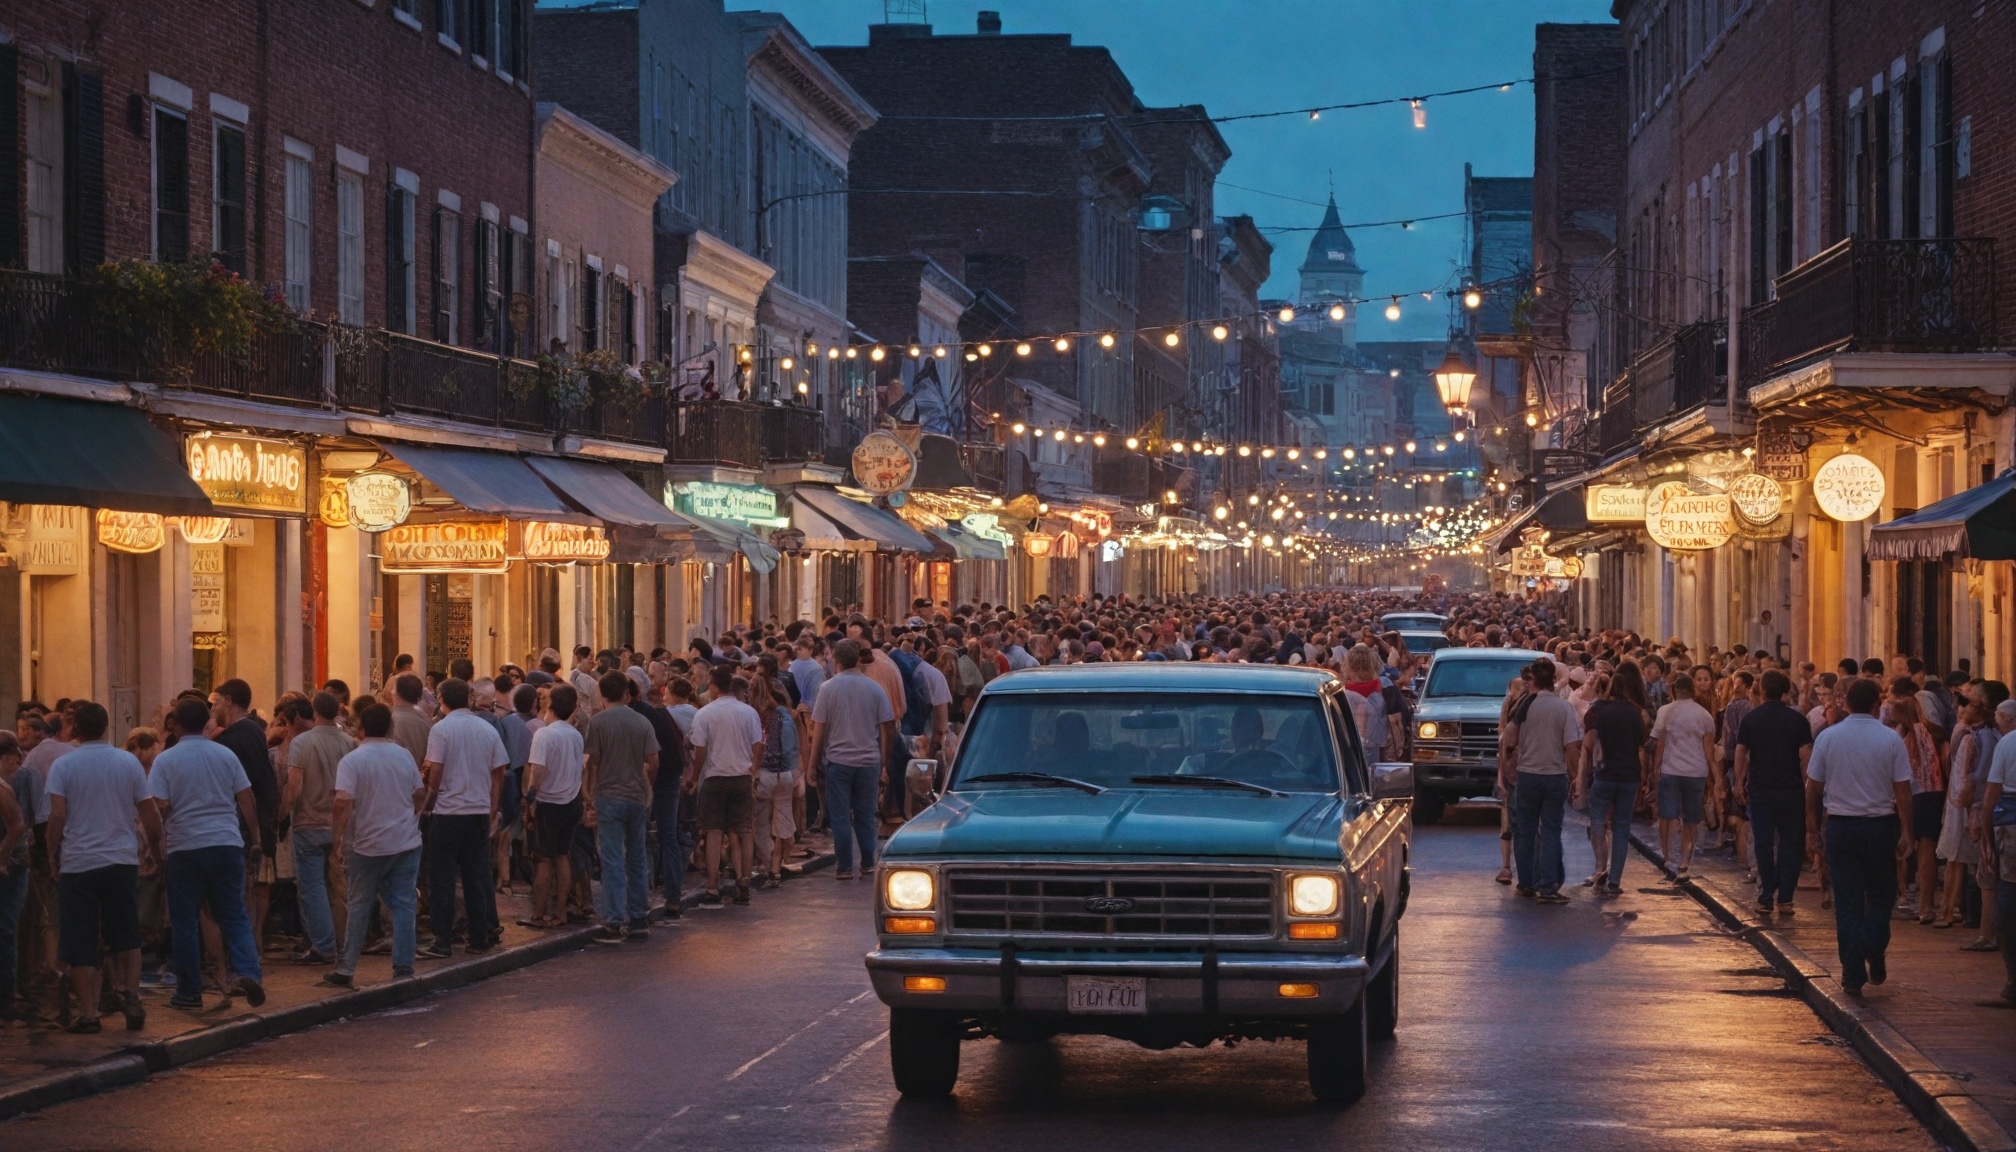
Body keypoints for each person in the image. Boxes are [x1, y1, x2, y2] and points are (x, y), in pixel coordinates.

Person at [44, 702, 162, 1033]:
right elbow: (149, 811)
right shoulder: (128, 763)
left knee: (81, 937)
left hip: (79, 862)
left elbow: (57, 816)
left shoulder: (63, 765)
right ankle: (131, 995)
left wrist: (52, 853)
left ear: (75, 729)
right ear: (107, 726)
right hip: (120, 859)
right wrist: (156, 848)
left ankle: (89, 1013)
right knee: (126, 932)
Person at [150, 698, 265, 1011]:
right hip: (226, 842)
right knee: (234, 913)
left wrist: (156, 845)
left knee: (185, 921)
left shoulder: (165, 760)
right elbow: (246, 797)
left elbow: (158, 807)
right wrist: (255, 838)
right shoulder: (224, 754)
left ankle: (189, 990)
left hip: (185, 846)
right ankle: (249, 972)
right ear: (206, 723)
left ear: (175, 724)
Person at [1806, 677, 1914, 997]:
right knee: (1882, 895)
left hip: (1841, 827)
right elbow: (1902, 789)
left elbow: (1813, 787)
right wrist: (1907, 829)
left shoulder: (1828, 737)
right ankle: (1872, 944)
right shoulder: (1890, 739)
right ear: (1876, 705)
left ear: (1847, 703)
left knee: (1848, 901)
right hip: (1879, 826)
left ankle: (1853, 972)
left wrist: (1812, 828)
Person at [322, 704, 425, 988]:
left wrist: (337, 839)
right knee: (404, 904)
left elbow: (343, 801)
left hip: (366, 844)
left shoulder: (353, 761)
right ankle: (403, 966)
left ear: (361, 729)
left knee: (359, 905)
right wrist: (412, 818)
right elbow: (419, 794)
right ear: (390, 728)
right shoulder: (403, 756)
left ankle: (347, 967)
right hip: (405, 841)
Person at [420, 678, 508, 959]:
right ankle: (479, 936)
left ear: (442, 699)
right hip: (478, 811)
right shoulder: (487, 728)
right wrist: (492, 810)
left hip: (448, 812)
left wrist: (428, 801)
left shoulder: (441, 730)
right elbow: (498, 773)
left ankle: (442, 939)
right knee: (475, 876)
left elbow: (436, 772)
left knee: (443, 877)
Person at [810, 639, 896, 881]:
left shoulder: (827, 689)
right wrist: (884, 764)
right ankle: (868, 862)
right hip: (868, 761)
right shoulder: (874, 688)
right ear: (858, 660)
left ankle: (845, 865)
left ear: (836, 661)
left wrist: (812, 764)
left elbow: (819, 730)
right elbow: (886, 729)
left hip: (838, 762)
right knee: (866, 814)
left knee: (839, 816)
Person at [584, 672, 660, 943]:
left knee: (613, 860)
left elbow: (592, 761)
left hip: (608, 795)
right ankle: (639, 918)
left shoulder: (598, 722)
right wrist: (644, 785)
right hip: (636, 797)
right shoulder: (642, 721)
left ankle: (615, 921)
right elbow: (653, 762)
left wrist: (590, 795)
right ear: (627, 694)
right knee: (637, 857)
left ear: (602, 695)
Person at [1500, 660, 1582, 903]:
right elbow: (1571, 746)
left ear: (1534, 680)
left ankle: (1526, 882)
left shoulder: (1527, 706)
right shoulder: (1563, 708)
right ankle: (1548, 886)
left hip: (1528, 774)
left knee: (1524, 831)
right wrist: (1576, 776)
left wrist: (1517, 750)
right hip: (1554, 775)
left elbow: (1509, 736)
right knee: (1551, 831)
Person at [283, 691, 354, 965]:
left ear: (315, 711)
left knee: (313, 888)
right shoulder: (350, 742)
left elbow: (294, 785)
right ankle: (344, 940)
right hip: (339, 824)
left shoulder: (302, 743)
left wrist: (282, 813)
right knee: (339, 887)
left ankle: (323, 945)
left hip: (308, 823)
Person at [1735, 670, 1814, 916]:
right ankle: (1786, 898)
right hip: (1791, 789)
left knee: (1764, 843)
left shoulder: (1751, 719)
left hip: (1761, 789)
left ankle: (1766, 895)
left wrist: (1739, 782)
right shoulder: (1798, 720)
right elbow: (1805, 756)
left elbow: (1740, 751)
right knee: (1791, 844)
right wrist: (1806, 784)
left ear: (1762, 691)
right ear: (1783, 693)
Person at [685, 664, 763, 906]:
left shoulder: (705, 713)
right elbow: (758, 744)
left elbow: (700, 751)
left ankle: (712, 886)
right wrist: (753, 770)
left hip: (714, 777)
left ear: (714, 686)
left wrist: (695, 778)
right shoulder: (748, 712)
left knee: (714, 832)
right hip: (741, 776)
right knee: (744, 830)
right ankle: (744, 879)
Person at [523, 685, 585, 930]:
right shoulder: (575, 735)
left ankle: (538, 913)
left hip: (549, 802)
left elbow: (537, 770)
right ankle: (560, 911)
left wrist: (529, 796)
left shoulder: (545, 734)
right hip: (571, 801)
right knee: (562, 855)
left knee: (543, 859)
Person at [1579, 675, 1644, 896]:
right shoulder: (1635, 713)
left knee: (1597, 820)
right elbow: (1641, 745)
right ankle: (1615, 878)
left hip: (1605, 773)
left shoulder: (1602, 712)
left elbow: (1590, 742)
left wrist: (1582, 775)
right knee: (1622, 826)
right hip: (1629, 775)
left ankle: (1600, 866)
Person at [1651, 675, 1718, 879]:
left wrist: (1655, 770)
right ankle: (1684, 863)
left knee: (1667, 815)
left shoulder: (1665, 711)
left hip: (1670, 770)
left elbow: (1660, 744)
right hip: (1696, 772)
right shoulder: (1704, 715)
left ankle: (1667, 856)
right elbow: (1709, 751)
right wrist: (1717, 778)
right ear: (1693, 691)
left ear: (1673, 691)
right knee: (1691, 819)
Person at [1973, 699, 2016, 1003]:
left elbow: (1992, 791)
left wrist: (1987, 833)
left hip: (2010, 826)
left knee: (2009, 899)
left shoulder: (2008, 743)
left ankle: (2013, 980)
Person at [750, 676, 800, 889]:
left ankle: (765, 863)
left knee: (760, 821)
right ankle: (776, 868)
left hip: (765, 773)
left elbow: (760, 746)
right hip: (784, 774)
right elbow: (790, 746)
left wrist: (756, 770)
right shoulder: (785, 715)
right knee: (782, 820)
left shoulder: (759, 716)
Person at [0, 732, 29, 1023]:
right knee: (6, 931)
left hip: (11, 866)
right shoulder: (2, 788)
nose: (16, 767)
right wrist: (3, 856)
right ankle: (6, 1000)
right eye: (14, 762)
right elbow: (17, 826)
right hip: (11, 868)